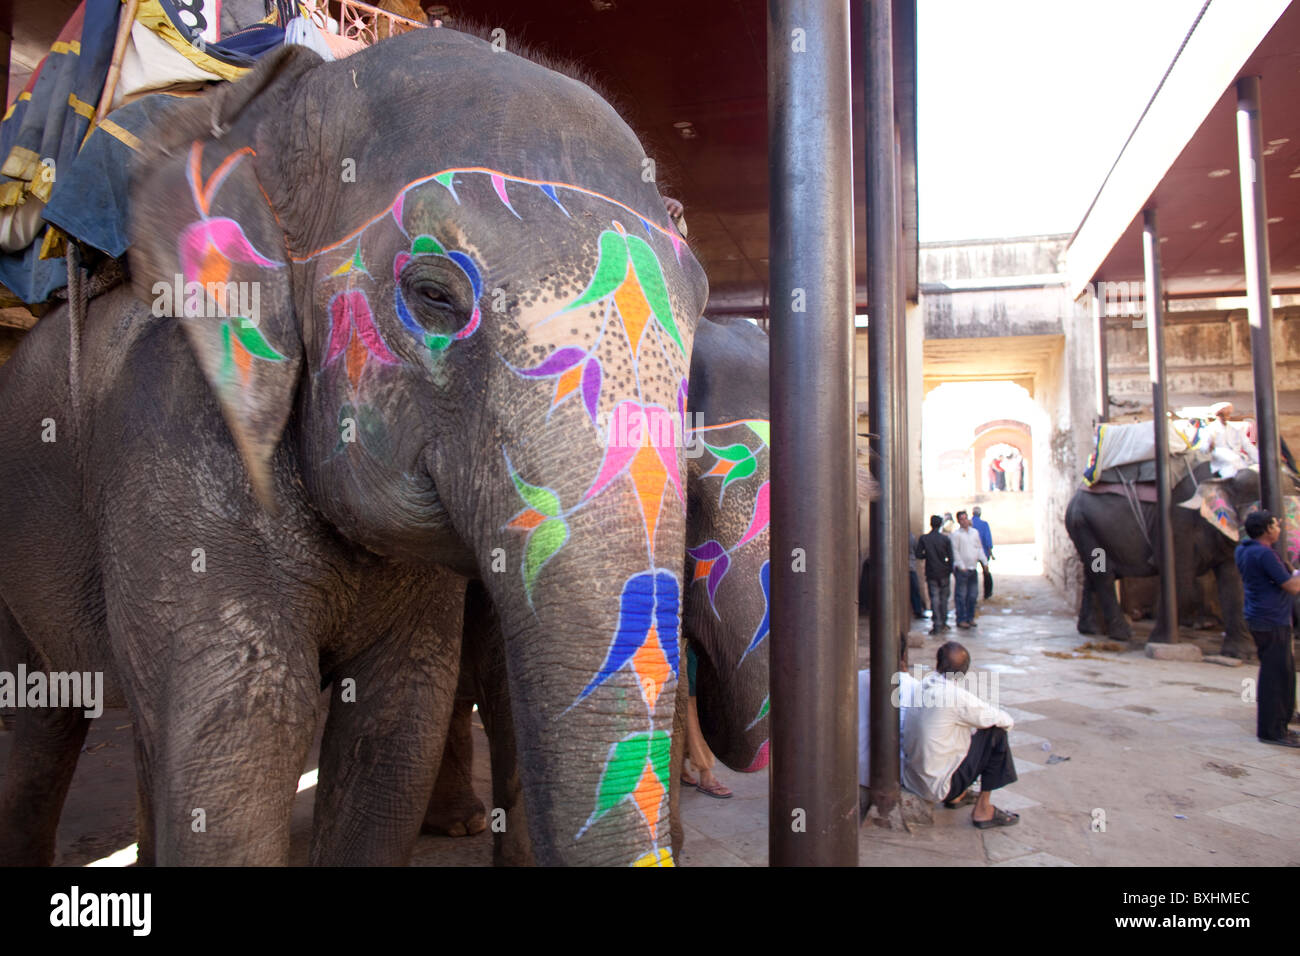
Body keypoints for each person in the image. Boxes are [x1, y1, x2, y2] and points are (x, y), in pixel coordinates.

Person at [902, 642, 1020, 828]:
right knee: (995, 733)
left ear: (937, 663)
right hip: (936, 786)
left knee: (962, 731)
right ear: (964, 671)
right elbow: (1004, 720)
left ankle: (958, 796)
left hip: (913, 778)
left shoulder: (923, 685)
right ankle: (983, 809)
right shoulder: (955, 696)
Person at [1234, 510, 1300, 747]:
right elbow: (1291, 586)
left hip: (1261, 617)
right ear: (1267, 530)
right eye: (1275, 525)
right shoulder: (1264, 554)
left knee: (1282, 673)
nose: (1279, 528)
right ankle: (1272, 731)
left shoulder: (1244, 549)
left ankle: (1282, 720)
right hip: (1271, 620)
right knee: (1275, 676)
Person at [681, 644, 735, 794]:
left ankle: (679, 766)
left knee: (687, 719)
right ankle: (706, 776)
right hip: (689, 664)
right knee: (697, 722)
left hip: (695, 662)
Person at [915, 516, 954, 634]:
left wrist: (928, 555)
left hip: (931, 572)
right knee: (943, 599)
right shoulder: (945, 539)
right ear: (941, 524)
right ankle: (943, 622)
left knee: (935, 599)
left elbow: (918, 554)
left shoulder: (925, 539)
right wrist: (949, 569)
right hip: (943, 572)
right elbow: (951, 557)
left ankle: (936, 624)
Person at [949, 510, 988, 629]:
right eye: (962, 519)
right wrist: (961, 566)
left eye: (966, 518)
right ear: (959, 521)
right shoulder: (956, 535)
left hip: (972, 568)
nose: (964, 521)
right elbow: (955, 551)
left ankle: (970, 618)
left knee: (972, 595)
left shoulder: (974, 533)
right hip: (962, 570)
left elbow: (978, 548)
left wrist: (984, 562)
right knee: (961, 595)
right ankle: (961, 618)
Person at [1205, 401, 1259, 478]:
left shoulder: (1236, 429)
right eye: (1221, 415)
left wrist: (1260, 461)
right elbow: (1204, 448)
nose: (1224, 417)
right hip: (1222, 463)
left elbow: (1248, 446)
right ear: (1216, 416)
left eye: (1227, 415)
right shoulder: (1210, 430)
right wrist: (1209, 445)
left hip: (1240, 461)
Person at [908, 532, 927, 619]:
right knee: (915, 590)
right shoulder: (911, 537)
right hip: (911, 567)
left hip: (909, 566)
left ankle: (917, 610)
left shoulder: (910, 536)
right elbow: (917, 551)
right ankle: (917, 610)